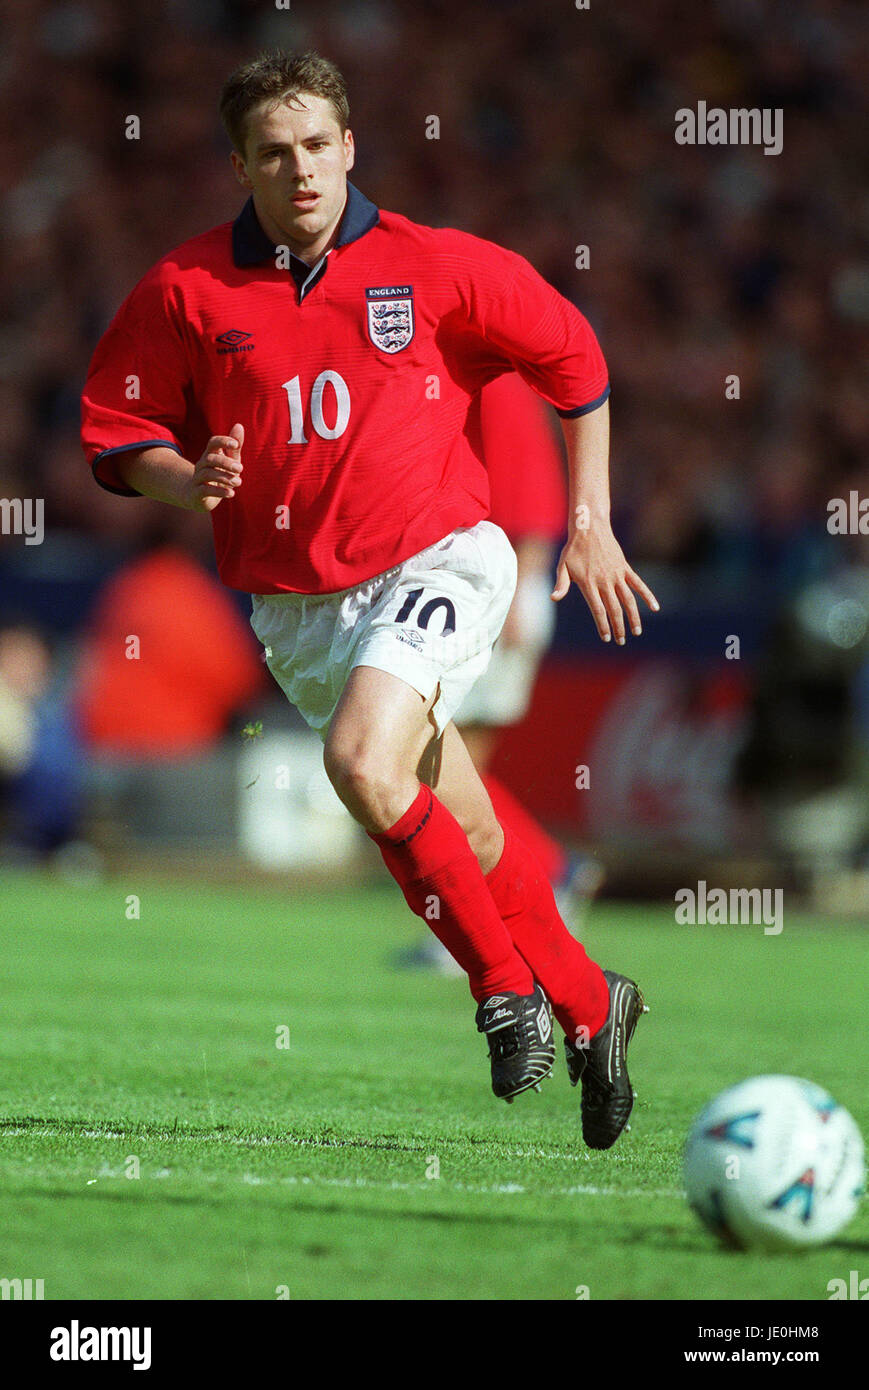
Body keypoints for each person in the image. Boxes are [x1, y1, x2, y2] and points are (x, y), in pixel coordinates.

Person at [81, 50, 658, 1148]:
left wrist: (586, 519)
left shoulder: (434, 266)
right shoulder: (185, 289)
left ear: (349, 147)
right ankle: (594, 1002)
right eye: (272, 153)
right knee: (473, 829)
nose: (298, 169)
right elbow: (118, 433)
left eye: (315, 146)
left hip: (439, 558)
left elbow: (576, 360)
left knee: (360, 762)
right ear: (239, 165)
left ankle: (498, 990)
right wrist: (184, 477)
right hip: (295, 605)